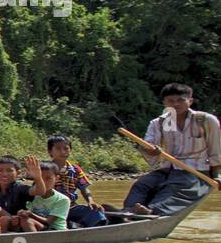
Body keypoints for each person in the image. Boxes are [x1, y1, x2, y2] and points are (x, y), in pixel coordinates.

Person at [124, 83, 221, 216]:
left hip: (195, 171)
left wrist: (217, 175)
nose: (175, 104)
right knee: (142, 185)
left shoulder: (205, 120)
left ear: (190, 101)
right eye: (171, 101)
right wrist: (150, 150)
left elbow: (215, 149)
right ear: (164, 102)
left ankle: (153, 211)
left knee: (175, 187)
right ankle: (128, 211)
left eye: (180, 100)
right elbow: (147, 146)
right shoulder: (158, 123)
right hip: (167, 169)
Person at [47, 136, 105, 227]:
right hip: (50, 208)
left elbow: (84, 188)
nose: (63, 152)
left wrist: (90, 201)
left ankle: (95, 228)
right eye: (58, 149)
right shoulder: (45, 169)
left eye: (66, 149)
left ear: (70, 150)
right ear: (50, 151)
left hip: (71, 207)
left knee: (95, 211)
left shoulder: (75, 169)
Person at [15, 155, 69, 232]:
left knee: (27, 221)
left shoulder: (63, 199)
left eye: (48, 178)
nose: (44, 182)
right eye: (40, 178)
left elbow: (48, 222)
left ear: (57, 179)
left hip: (55, 229)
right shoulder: (32, 195)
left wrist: (30, 214)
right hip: (37, 225)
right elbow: (27, 212)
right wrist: (21, 214)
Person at [0, 156, 30, 232]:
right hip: (0, 222)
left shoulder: (21, 188)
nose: (4, 174)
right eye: (0, 170)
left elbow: (39, 191)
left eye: (9, 170)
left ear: (18, 173)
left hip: (18, 223)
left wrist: (38, 177)